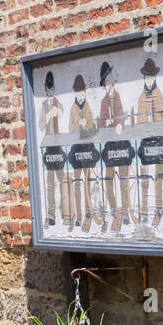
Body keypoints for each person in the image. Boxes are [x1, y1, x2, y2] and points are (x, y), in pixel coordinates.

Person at [98, 60, 131, 234]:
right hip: (110, 146)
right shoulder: (104, 101)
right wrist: (108, 123)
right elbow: (101, 124)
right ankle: (113, 209)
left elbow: (123, 115)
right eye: (106, 80)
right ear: (104, 84)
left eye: (110, 78)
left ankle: (125, 212)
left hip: (122, 144)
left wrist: (119, 122)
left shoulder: (118, 96)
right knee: (109, 180)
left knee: (124, 180)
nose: (109, 82)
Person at [136, 56, 163, 228]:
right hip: (145, 144)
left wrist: (153, 117)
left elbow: (162, 116)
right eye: (147, 77)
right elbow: (139, 120)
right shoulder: (142, 97)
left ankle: (158, 210)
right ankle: (145, 211)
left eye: (151, 77)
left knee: (158, 179)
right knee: (144, 179)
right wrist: (145, 119)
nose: (149, 80)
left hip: (158, 143)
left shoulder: (158, 93)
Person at [38, 70, 69, 228]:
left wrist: (57, 112)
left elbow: (63, 116)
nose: (50, 92)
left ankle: (65, 212)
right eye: (48, 90)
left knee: (62, 180)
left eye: (52, 89)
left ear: (54, 89)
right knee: (50, 184)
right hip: (48, 148)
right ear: (45, 89)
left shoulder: (59, 103)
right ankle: (51, 215)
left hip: (58, 146)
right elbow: (40, 125)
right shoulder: (44, 105)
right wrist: (47, 116)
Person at [68, 73, 97, 234]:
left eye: (82, 92)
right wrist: (77, 125)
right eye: (78, 92)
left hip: (87, 148)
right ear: (75, 93)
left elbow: (91, 123)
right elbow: (69, 129)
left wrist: (86, 123)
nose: (81, 94)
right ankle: (78, 216)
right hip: (76, 150)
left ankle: (88, 213)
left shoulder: (87, 107)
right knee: (77, 183)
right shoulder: (73, 108)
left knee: (87, 182)